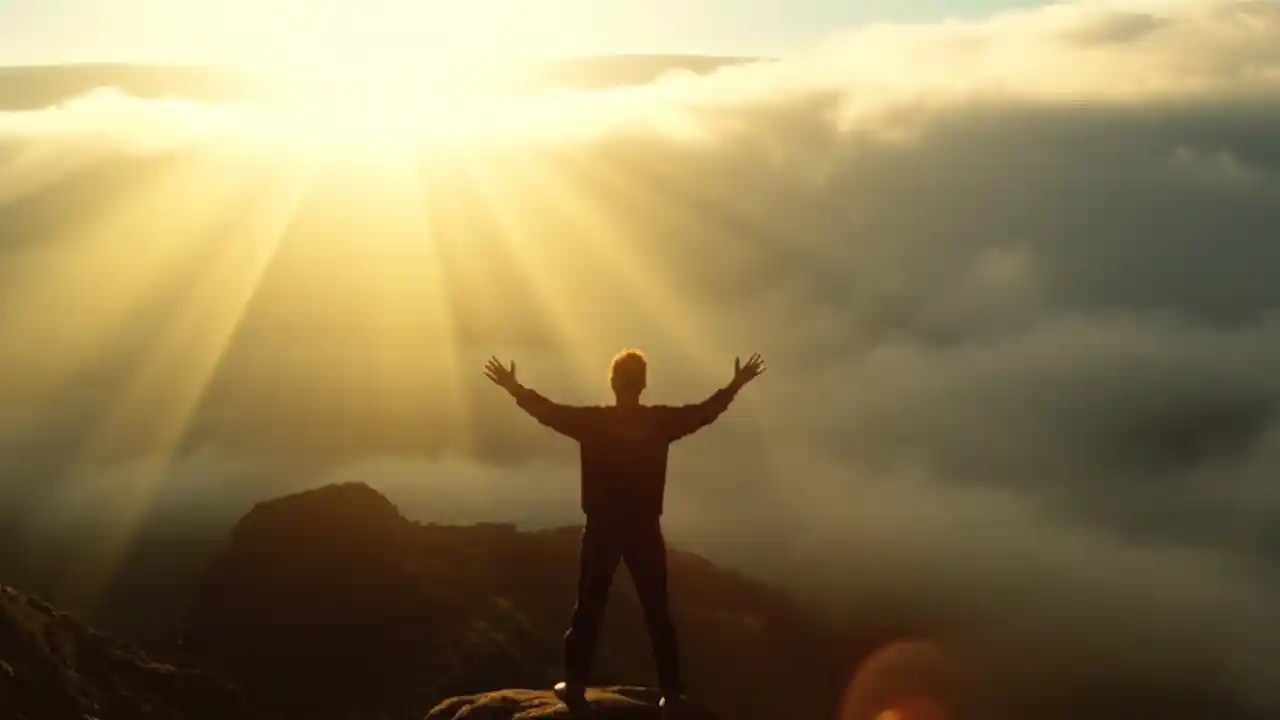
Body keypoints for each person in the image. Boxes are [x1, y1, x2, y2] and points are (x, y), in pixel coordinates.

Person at [483, 349, 766, 716]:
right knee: (656, 609)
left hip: (601, 527)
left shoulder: (592, 423)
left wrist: (513, 387)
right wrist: (735, 384)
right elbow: (704, 412)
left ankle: (575, 684)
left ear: (613, 383)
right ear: (643, 384)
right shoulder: (659, 422)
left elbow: (548, 411)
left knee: (588, 608)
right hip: (644, 527)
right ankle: (671, 692)